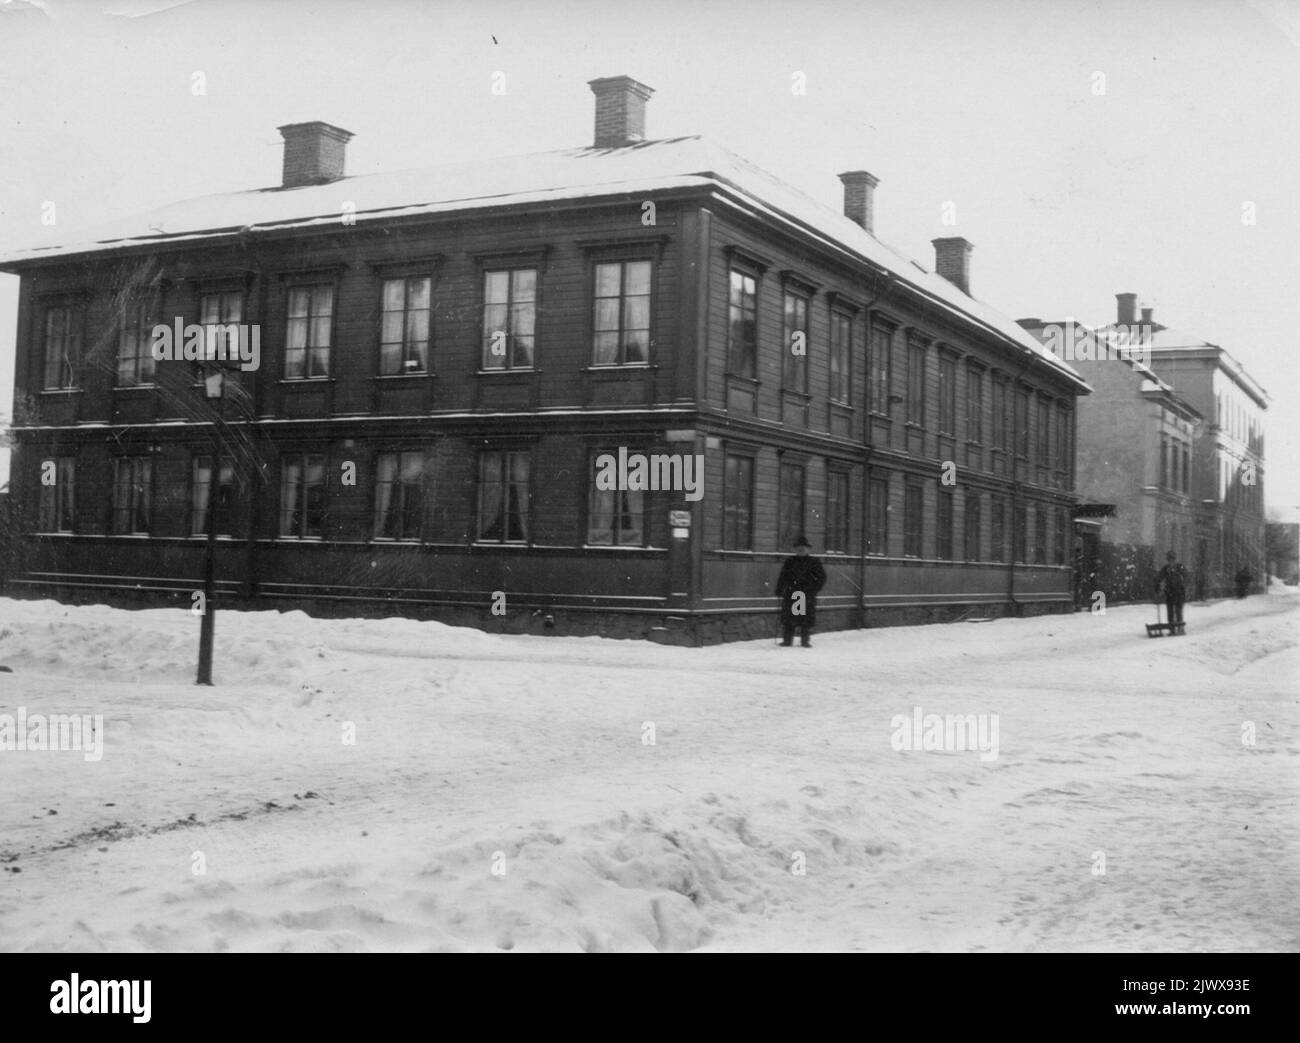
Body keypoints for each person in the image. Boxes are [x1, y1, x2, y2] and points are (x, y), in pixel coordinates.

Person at [775, 535, 826, 647]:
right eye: (799, 547)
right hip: (791, 593)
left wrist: (813, 589)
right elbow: (783, 576)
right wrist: (779, 589)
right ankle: (787, 640)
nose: (801, 549)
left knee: (805, 618)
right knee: (790, 618)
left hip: (806, 593)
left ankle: (805, 640)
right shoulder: (790, 561)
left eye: (803, 547)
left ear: (808, 549)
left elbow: (821, 578)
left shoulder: (814, 562)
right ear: (795, 549)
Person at [1155, 550, 1188, 630]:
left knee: (1178, 610)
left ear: (1175, 559)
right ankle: (1171, 627)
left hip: (1179, 592)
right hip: (1169, 592)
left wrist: (1183, 584)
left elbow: (1186, 576)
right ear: (1168, 560)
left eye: (1172, 559)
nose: (1171, 561)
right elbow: (1159, 578)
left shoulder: (1180, 567)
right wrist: (1157, 588)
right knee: (1170, 611)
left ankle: (1180, 626)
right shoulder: (1166, 568)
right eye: (1169, 559)